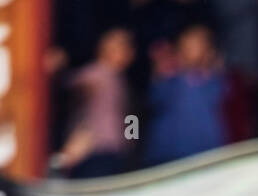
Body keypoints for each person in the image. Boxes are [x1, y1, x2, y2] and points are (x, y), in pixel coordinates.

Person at [54, 28, 136, 179]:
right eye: (121, 46)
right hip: (94, 150)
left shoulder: (122, 80)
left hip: (115, 151)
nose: (127, 52)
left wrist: (130, 141)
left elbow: (130, 117)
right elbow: (71, 87)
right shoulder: (94, 74)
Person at [143, 24, 228, 165]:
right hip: (168, 153)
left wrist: (210, 68)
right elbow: (155, 100)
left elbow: (219, 96)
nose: (188, 50)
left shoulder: (214, 79)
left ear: (208, 50)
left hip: (204, 152)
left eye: (196, 45)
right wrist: (159, 75)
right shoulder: (170, 77)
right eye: (185, 45)